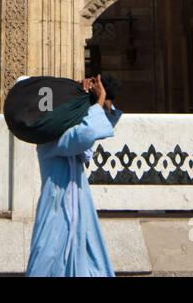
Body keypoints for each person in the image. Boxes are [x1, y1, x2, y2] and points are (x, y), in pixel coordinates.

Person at [25, 73, 122, 277]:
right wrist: (98, 100)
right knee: (49, 257)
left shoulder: (66, 134)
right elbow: (85, 134)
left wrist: (98, 98)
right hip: (56, 206)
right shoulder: (50, 138)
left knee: (88, 260)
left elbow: (95, 127)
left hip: (78, 203)